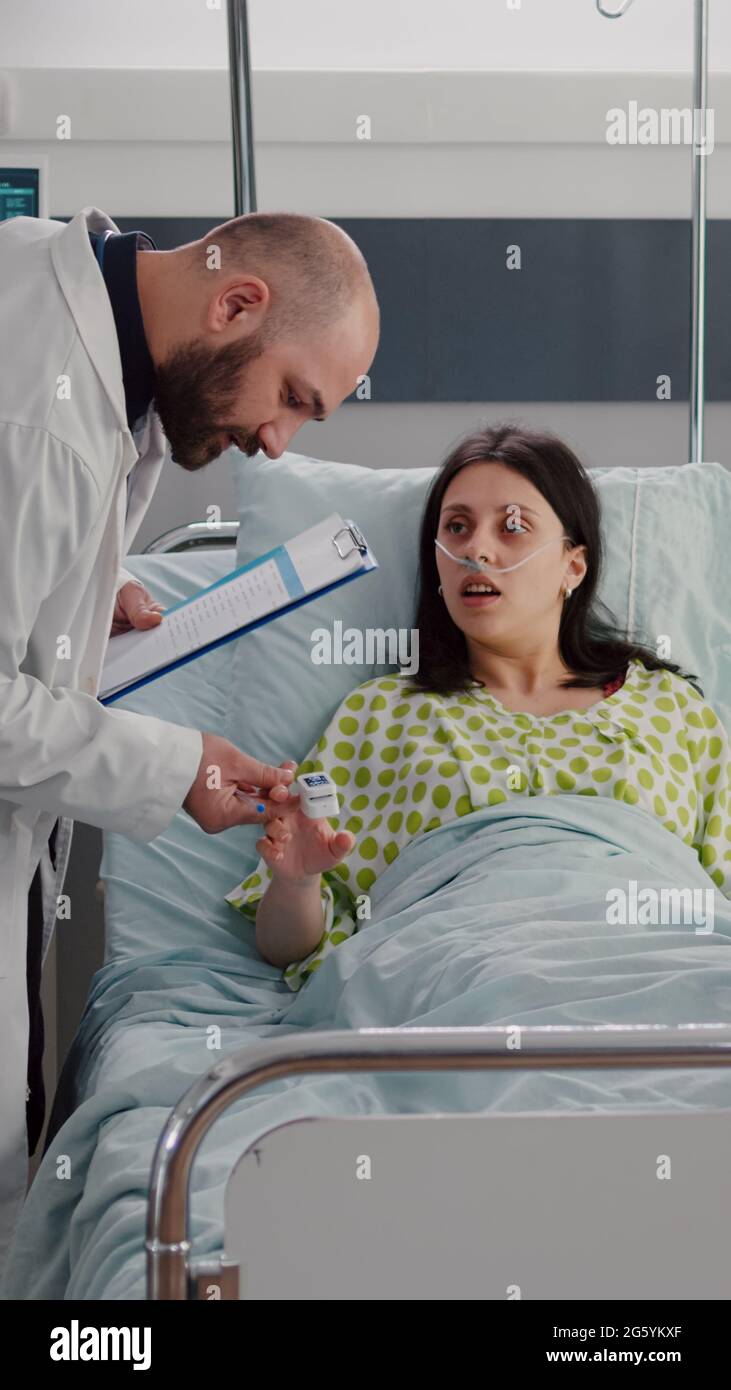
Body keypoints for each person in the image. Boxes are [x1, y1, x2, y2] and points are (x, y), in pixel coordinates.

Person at [0, 205, 380, 1270]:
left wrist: (78, 580)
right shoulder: (40, 415)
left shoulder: (66, 301)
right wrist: (178, 765)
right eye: (293, 400)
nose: (275, 441)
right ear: (237, 302)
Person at [227, 424, 731, 988]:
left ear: (574, 566)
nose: (477, 550)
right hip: (451, 993)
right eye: (457, 528)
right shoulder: (382, 717)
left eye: (512, 527)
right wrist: (296, 883)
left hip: (660, 986)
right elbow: (284, 949)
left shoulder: (672, 712)